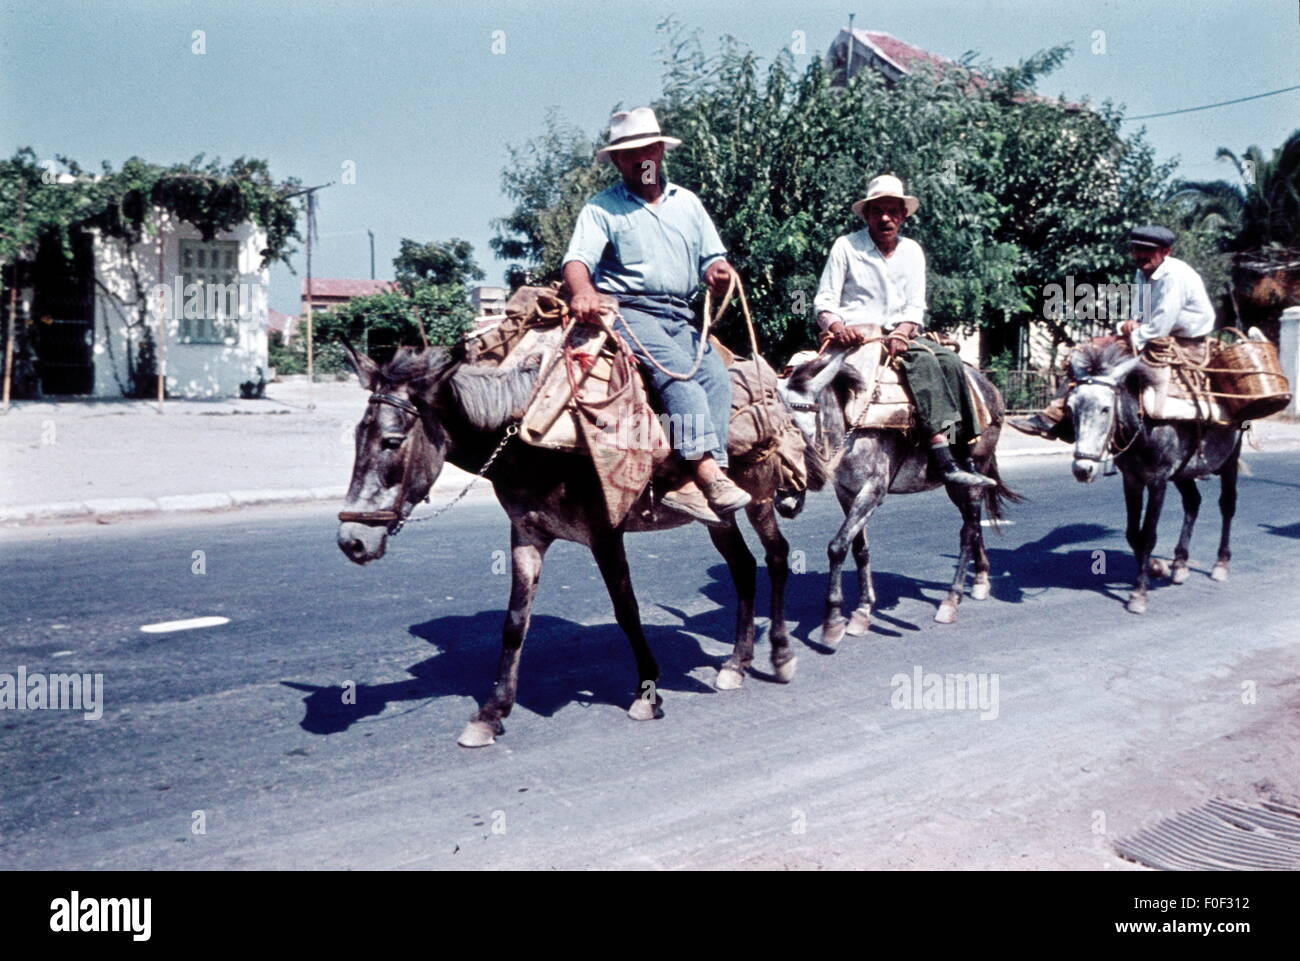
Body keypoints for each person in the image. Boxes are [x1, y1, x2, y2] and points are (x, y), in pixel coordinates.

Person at [562, 107, 750, 526]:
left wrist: (719, 273)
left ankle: (697, 474)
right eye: (629, 153)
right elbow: (576, 261)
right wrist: (584, 291)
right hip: (630, 309)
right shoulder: (602, 208)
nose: (640, 159)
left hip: (681, 314)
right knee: (678, 374)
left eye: (647, 149)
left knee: (716, 377)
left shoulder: (689, 203)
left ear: (660, 152)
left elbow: (713, 259)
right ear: (616, 160)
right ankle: (704, 473)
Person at [815, 174, 996, 488]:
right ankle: (795, 462)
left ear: (903, 215)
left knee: (950, 363)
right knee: (800, 383)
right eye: (878, 211)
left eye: (892, 211)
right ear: (867, 215)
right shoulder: (846, 246)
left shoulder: (912, 251)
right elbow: (825, 298)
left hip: (899, 336)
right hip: (857, 338)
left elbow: (915, 304)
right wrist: (837, 326)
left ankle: (958, 450)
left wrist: (902, 332)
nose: (885, 218)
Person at [1010, 224, 1216, 439]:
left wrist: (1126, 335)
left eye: (1148, 250)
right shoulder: (1143, 272)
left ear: (1166, 252)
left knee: (1104, 361)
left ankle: (1056, 420)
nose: (1140, 255)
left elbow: (1161, 325)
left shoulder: (1174, 275)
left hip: (1185, 344)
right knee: (1084, 353)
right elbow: (1138, 313)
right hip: (1154, 337)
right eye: (1136, 249)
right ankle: (1058, 418)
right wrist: (1124, 328)